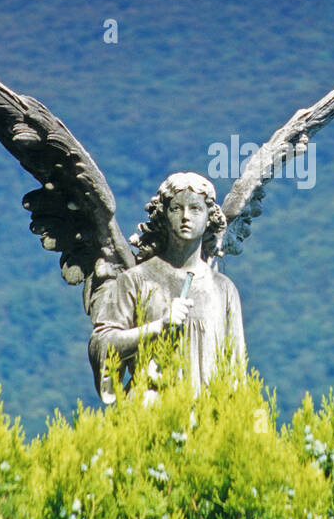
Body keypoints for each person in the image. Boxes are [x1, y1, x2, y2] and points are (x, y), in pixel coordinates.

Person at [88, 172, 247, 404]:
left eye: (195, 209)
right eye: (176, 208)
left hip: (209, 416)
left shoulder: (223, 289)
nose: (185, 217)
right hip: (150, 410)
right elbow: (102, 343)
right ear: (163, 215)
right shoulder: (136, 280)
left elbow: (237, 370)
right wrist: (157, 328)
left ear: (208, 217)